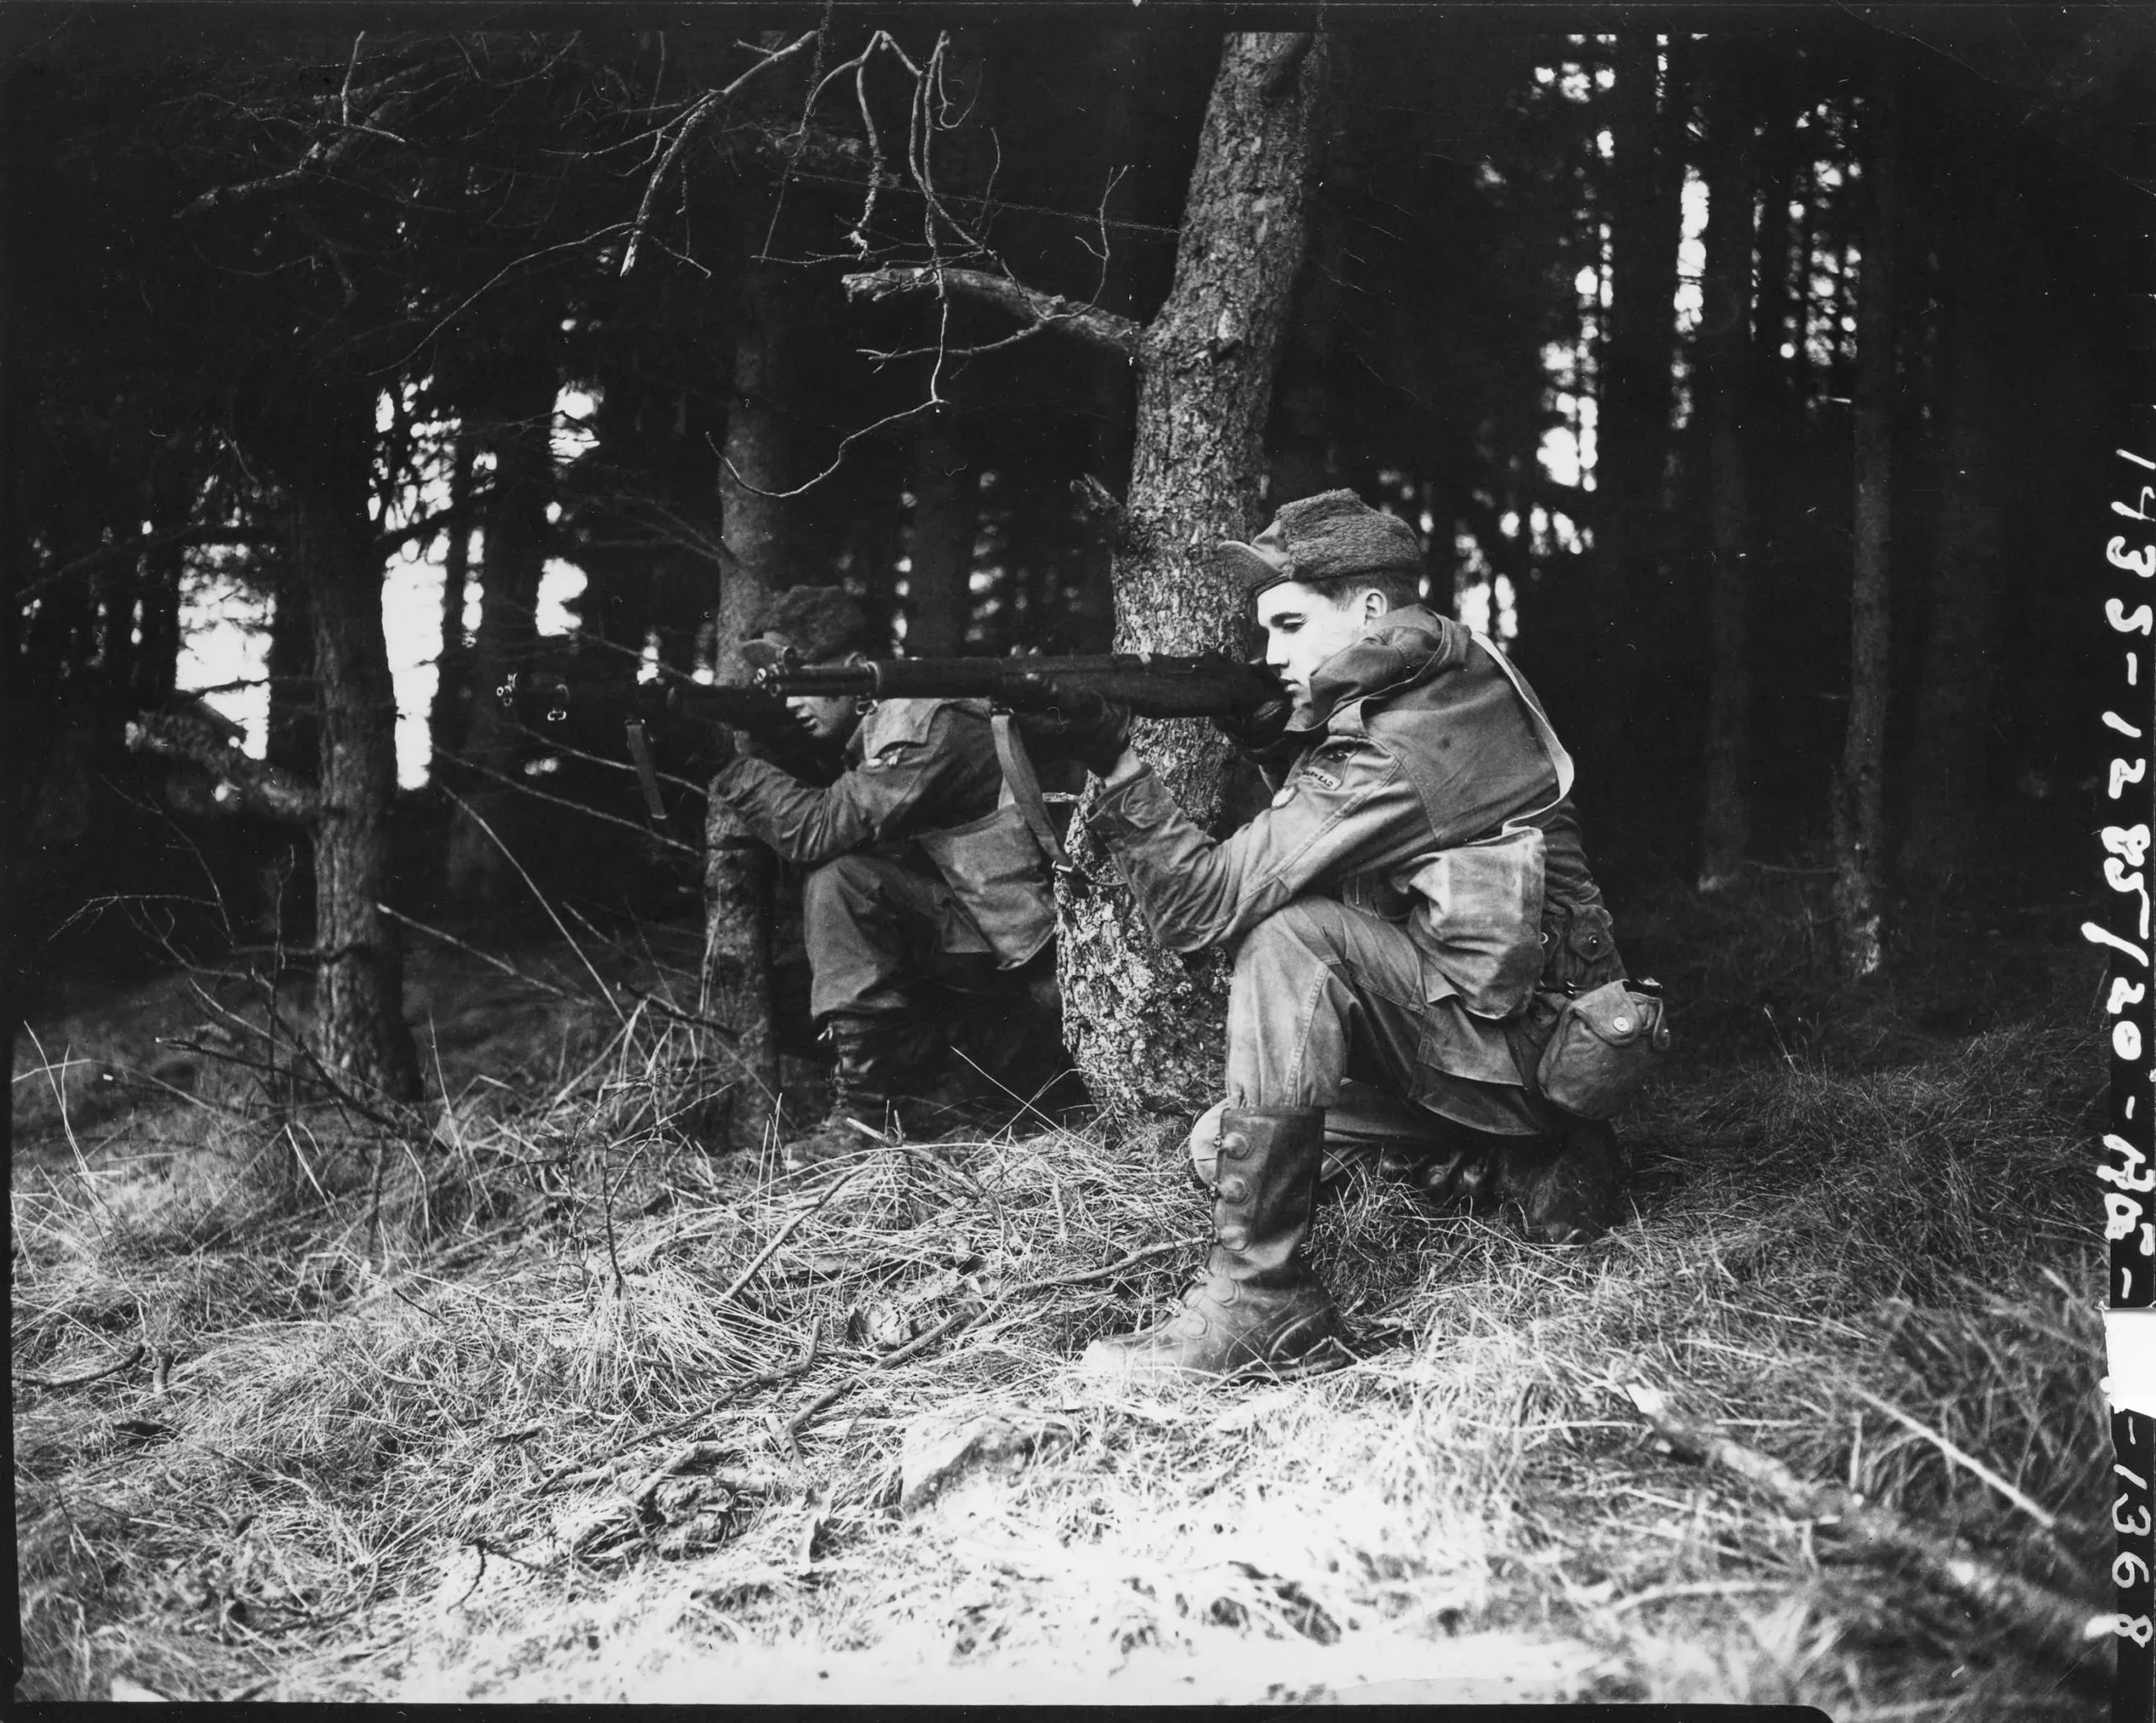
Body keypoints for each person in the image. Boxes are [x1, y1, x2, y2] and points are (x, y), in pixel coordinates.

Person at [1022, 490, 1663, 1384]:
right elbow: (1364, 839)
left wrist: (1112, 761)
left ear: (1369, 611)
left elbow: (1206, 908)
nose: (1271, 654)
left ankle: (1260, 1302)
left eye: (1288, 625)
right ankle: (1518, 1160)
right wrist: (1267, 736)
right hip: (1494, 1034)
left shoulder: (1396, 747)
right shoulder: (1446, 672)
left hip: (1520, 1060)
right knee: (1220, 1147)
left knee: (1291, 939)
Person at [704, 586, 1067, 1170]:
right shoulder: (877, 722)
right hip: (981, 948)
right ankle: (932, 1095)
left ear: (852, 671)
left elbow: (818, 830)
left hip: (1033, 974)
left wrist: (731, 767)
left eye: (802, 680)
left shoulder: (923, 719)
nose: (789, 700)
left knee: (840, 882)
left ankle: (864, 1125)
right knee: (792, 991)